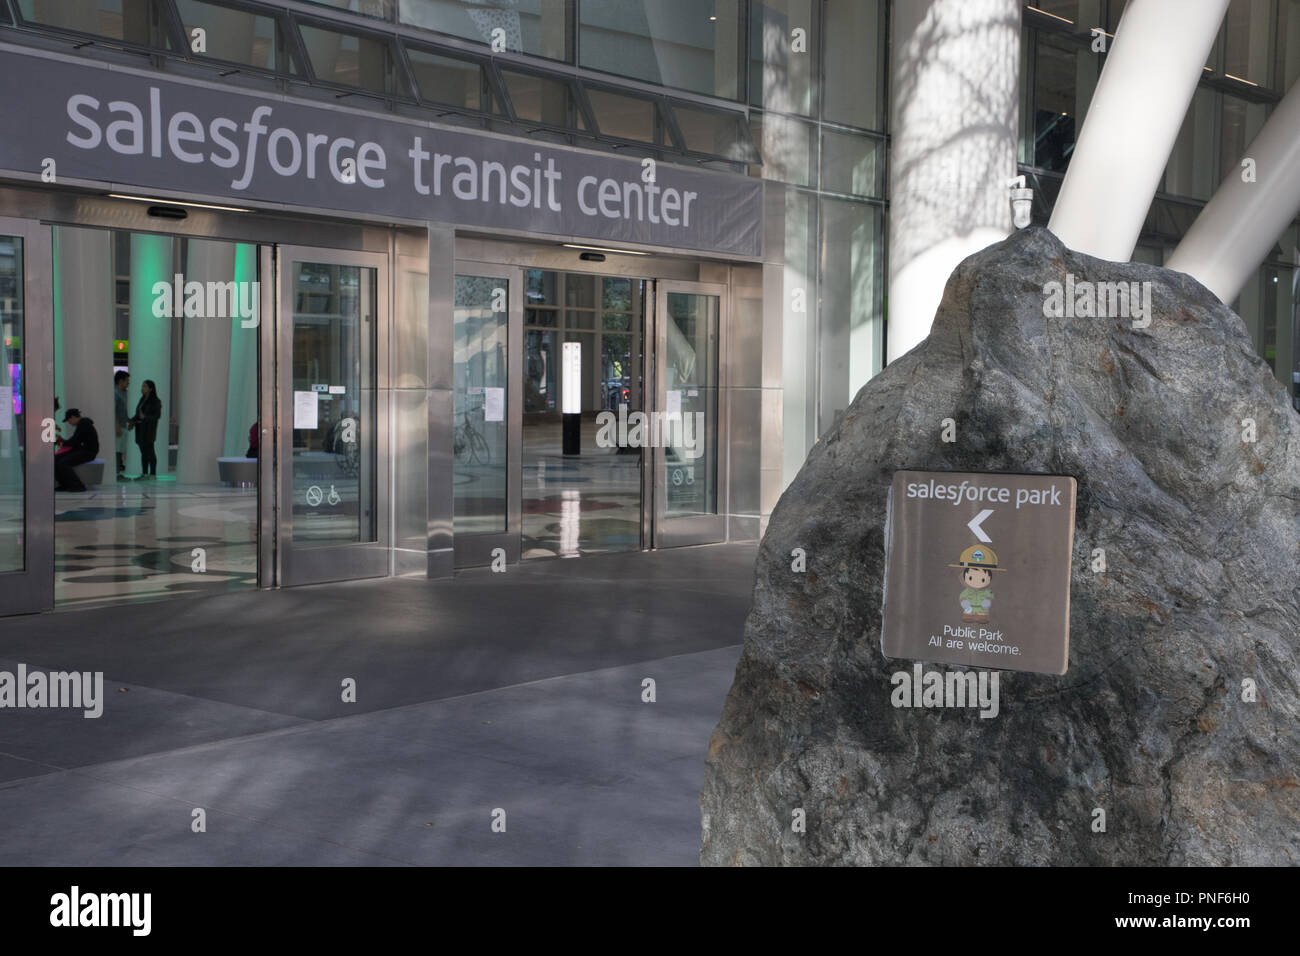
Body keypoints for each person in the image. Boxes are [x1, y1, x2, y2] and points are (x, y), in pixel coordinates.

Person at [55, 408, 99, 493]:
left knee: (63, 463)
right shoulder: (83, 424)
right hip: (83, 450)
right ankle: (65, 485)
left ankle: (77, 486)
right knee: (56, 459)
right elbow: (76, 440)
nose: (69, 422)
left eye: (68, 420)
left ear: (73, 417)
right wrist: (64, 443)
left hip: (88, 452)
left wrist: (63, 443)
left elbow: (75, 440)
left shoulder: (84, 424)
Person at [130, 379, 162, 479]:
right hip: (140, 429)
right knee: (143, 452)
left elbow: (157, 416)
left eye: (144, 386)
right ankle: (144, 473)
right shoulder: (142, 400)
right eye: (142, 386)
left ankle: (152, 473)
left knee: (150, 451)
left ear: (151, 389)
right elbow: (138, 414)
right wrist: (132, 421)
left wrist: (145, 417)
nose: (142, 388)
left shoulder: (156, 401)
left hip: (149, 430)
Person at [113, 370, 130, 478]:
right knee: (117, 451)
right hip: (118, 426)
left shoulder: (124, 393)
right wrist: (117, 425)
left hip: (123, 425)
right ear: (120, 381)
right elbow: (113, 411)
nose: (128, 383)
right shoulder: (115, 393)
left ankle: (119, 472)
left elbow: (123, 411)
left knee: (120, 450)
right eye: (127, 381)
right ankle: (117, 473)